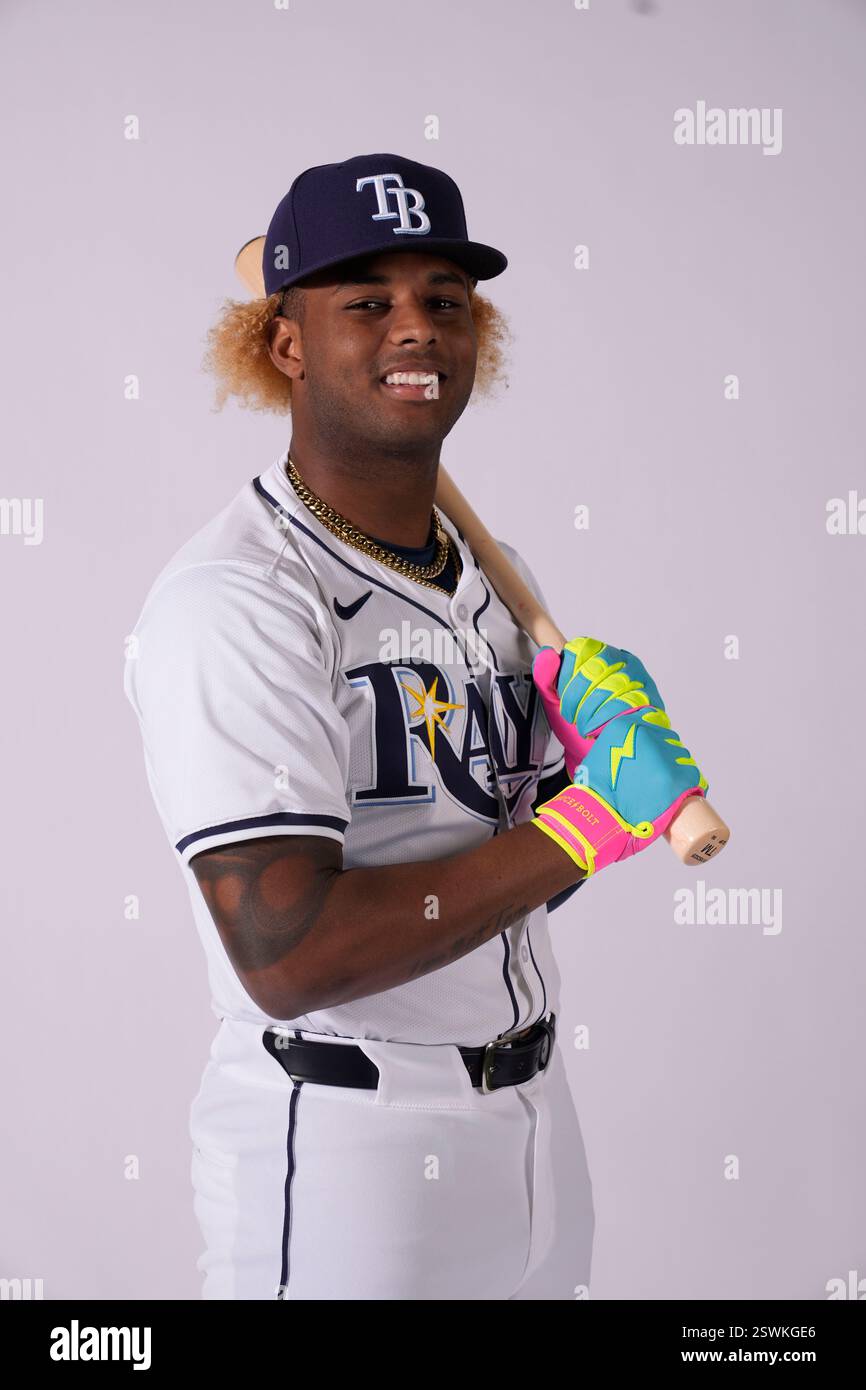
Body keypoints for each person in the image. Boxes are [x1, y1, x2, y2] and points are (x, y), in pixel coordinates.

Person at [123, 153, 706, 1300]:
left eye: (444, 300)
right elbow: (291, 955)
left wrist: (579, 773)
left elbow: (492, 864)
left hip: (536, 1124)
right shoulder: (234, 600)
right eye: (368, 302)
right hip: (347, 1142)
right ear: (287, 344)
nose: (416, 330)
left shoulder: (489, 580)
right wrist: (586, 827)